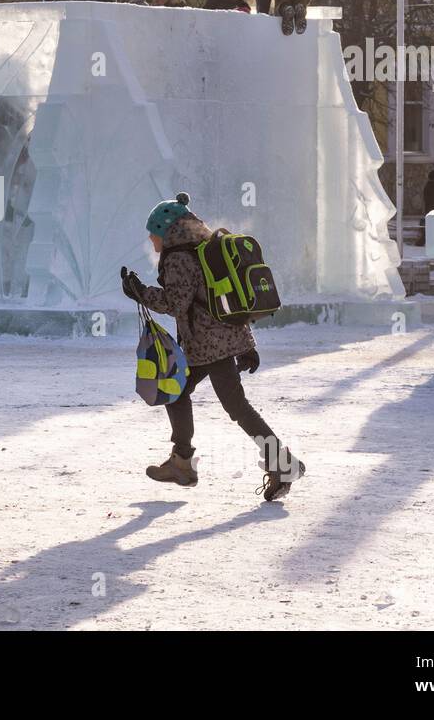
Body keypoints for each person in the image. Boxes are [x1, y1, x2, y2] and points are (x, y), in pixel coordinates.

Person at [121, 193, 305, 501]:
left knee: (214, 401)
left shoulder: (179, 257)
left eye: (153, 233)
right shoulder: (204, 248)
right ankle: (182, 461)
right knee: (180, 391)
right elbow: (222, 297)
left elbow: (175, 303)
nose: (151, 240)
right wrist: (246, 345)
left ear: (166, 230)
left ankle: (277, 464)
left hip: (207, 345)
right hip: (219, 340)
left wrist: (139, 291)